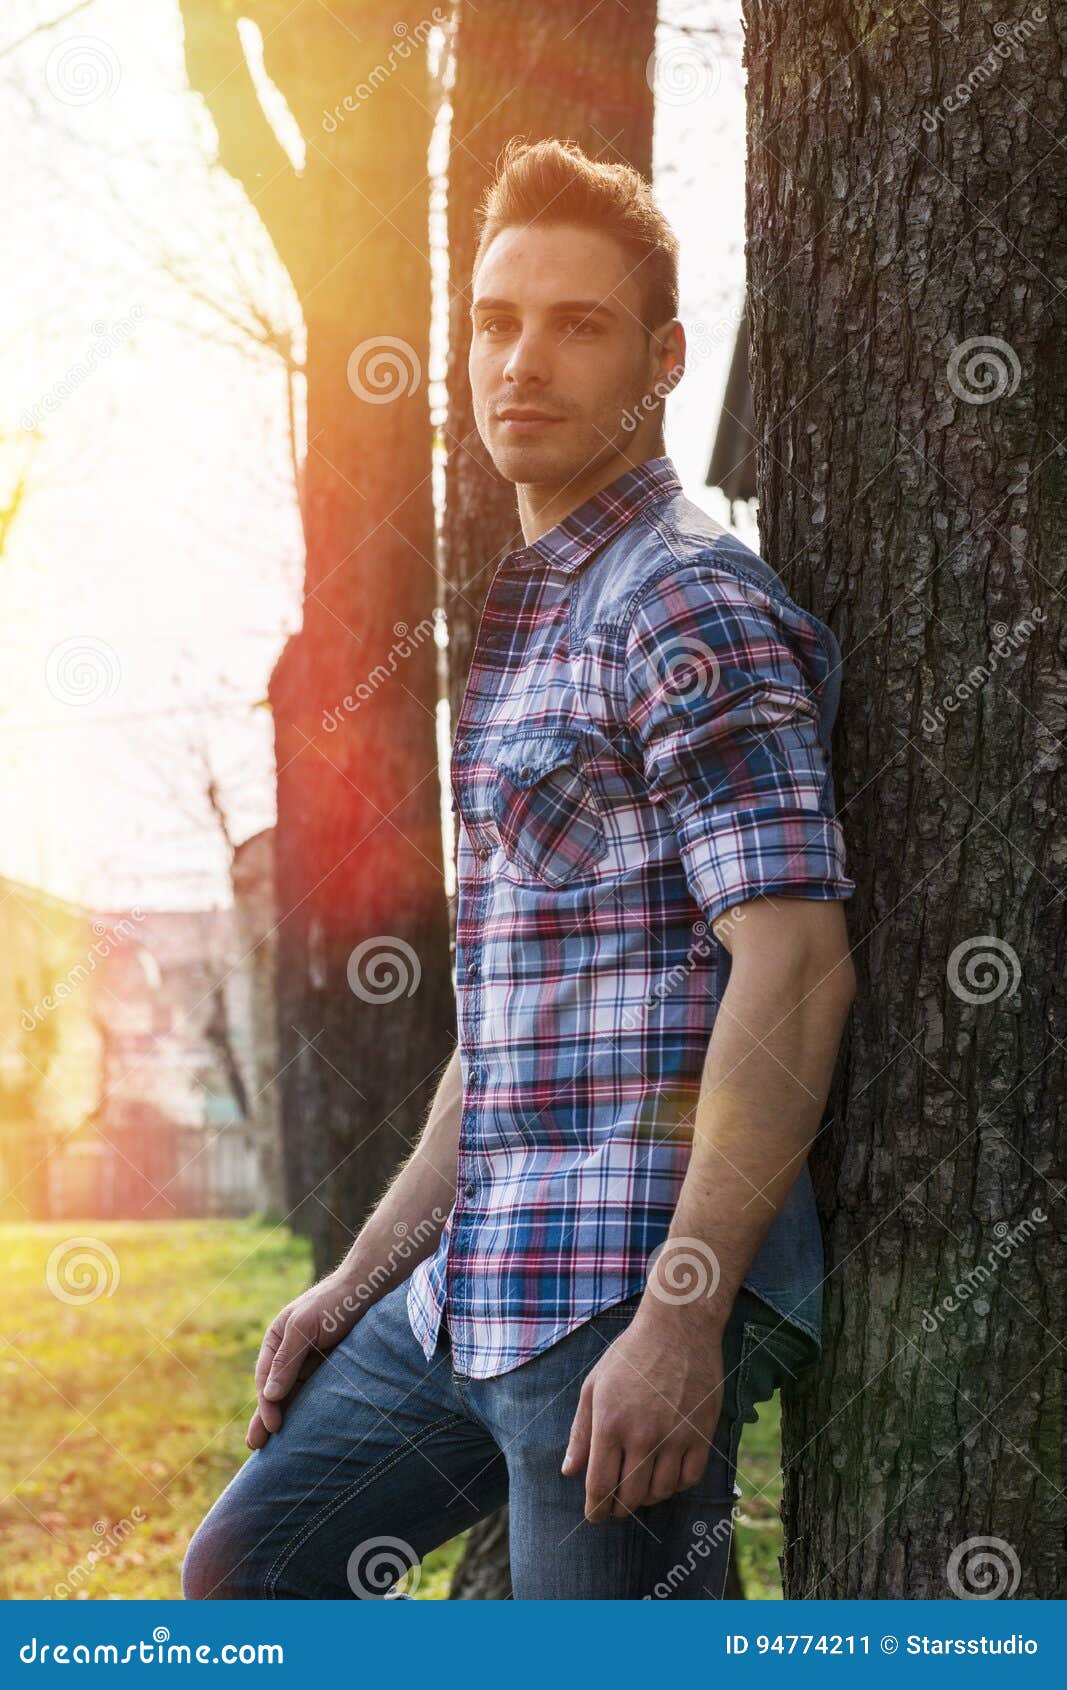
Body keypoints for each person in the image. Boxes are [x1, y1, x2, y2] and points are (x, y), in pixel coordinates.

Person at [182, 137, 856, 1602]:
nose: (522, 360)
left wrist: (683, 1315)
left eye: (579, 323)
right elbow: (502, 1045)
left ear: (663, 357)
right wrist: (352, 1286)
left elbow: (796, 963)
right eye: (495, 321)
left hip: (622, 1298)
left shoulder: (685, 600)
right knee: (247, 1574)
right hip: (469, 1290)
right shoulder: (534, 620)